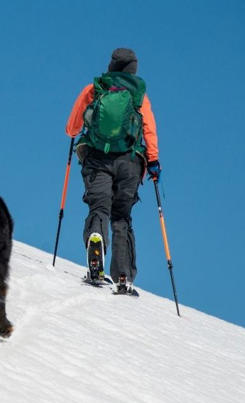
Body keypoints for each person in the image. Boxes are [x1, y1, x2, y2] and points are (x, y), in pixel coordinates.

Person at [64, 48, 161, 294]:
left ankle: (96, 238)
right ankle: (123, 275)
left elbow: (72, 127)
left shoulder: (95, 88)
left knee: (99, 207)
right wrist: (153, 162)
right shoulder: (139, 95)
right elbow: (148, 130)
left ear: (112, 66)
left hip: (97, 158)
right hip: (130, 162)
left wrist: (75, 132)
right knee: (122, 216)